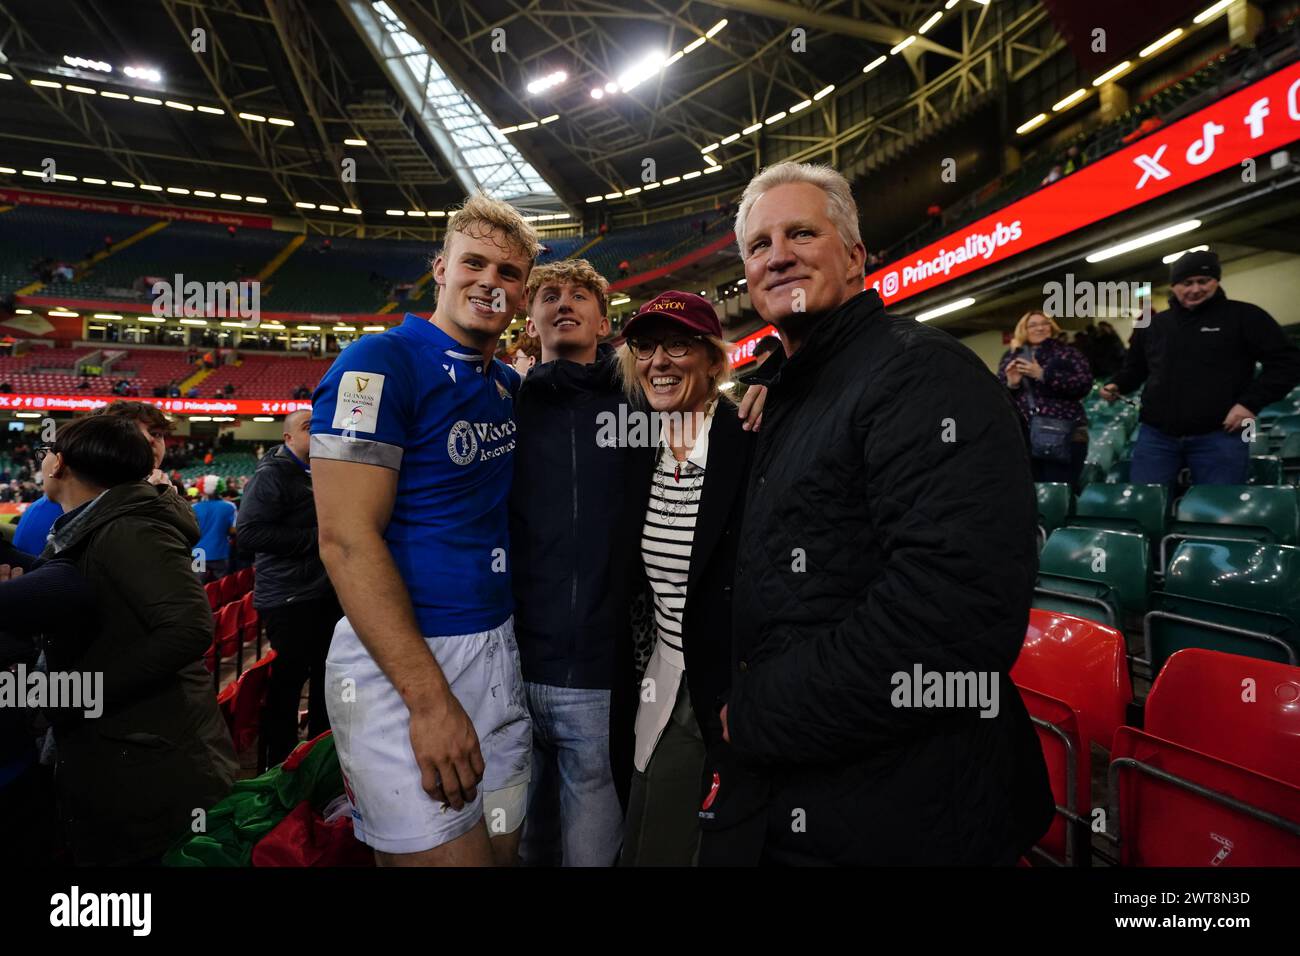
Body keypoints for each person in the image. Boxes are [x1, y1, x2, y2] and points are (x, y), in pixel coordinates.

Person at [717, 161, 1052, 865]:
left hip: (914, 816)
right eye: (758, 244)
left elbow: (952, 620)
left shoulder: (921, 373)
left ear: (855, 255)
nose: (776, 255)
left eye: (800, 233)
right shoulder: (788, 395)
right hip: (807, 797)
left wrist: (753, 712)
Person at [311, 193, 537, 867]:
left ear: (523, 293)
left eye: (508, 273)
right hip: (405, 667)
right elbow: (345, 539)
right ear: (440, 269)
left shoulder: (502, 384)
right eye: (474, 263)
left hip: (497, 650)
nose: (489, 283)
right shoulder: (377, 363)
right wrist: (430, 703)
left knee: (498, 855)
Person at [12, 415, 236, 864]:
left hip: (149, 758)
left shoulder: (128, 527)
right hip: (134, 748)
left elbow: (189, 627)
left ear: (59, 466)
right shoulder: (104, 522)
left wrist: (80, 692)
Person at [509, 259, 652, 867]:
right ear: (530, 315)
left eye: (578, 296)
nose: (563, 303)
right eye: (548, 295)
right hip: (507, 671)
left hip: (599, 673)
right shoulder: (498, 407)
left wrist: (765, 394)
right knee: (521, 851)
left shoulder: (642, 404)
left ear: (603, 319)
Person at [614, 292, 756, 866]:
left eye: (679, 345)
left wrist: (775, 368)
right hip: (657, 678)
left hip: (721, 689)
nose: (659, 361)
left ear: (714, 360)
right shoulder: (637, 441)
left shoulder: (749, 436)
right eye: (646, 347)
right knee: (643, 834)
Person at [1101, 249, 1300, 485]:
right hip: (1156, 436)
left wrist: (1249, 404)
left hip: (1223, 435)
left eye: (1203, 281)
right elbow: (1135, 369)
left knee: (1219, 510)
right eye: (1187, 282)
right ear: (1173, 286)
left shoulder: (1245, 316)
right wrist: (1117, 384)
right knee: (1145, 508)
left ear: (1216, 281)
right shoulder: (1153, 325)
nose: (1195, 289)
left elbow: (1288, 364)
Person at [237, 409, 339, 767]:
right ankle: (278, 766)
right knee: (288, 684)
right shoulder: (272, 475)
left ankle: (318, 760)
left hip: (322, 594)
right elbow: (248, 533)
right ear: (288, 438)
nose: (317, 431)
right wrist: (318, 539)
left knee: (327, 678)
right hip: (289, 597)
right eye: (307, 427)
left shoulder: (324, 471)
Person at [997, 311, 1092, 487]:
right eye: (1032, 325)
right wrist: (1012, 384)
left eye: (1045, 323)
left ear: (1052, 327)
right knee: (1029, 494)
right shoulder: (1012, 356)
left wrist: (1042, 374)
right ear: (1023, 329)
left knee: (1060, 492)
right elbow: (1000, 397)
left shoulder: (1068, 353)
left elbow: (1084, 384)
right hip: (1025, 437)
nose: (1039, 328)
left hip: (1066, 435)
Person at [192, 474, 237, 582]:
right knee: (222, 587)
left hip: (198, 552)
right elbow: (233, 530)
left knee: (197, 586)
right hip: (220, 551)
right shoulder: (229, 506)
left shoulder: (193, 508)